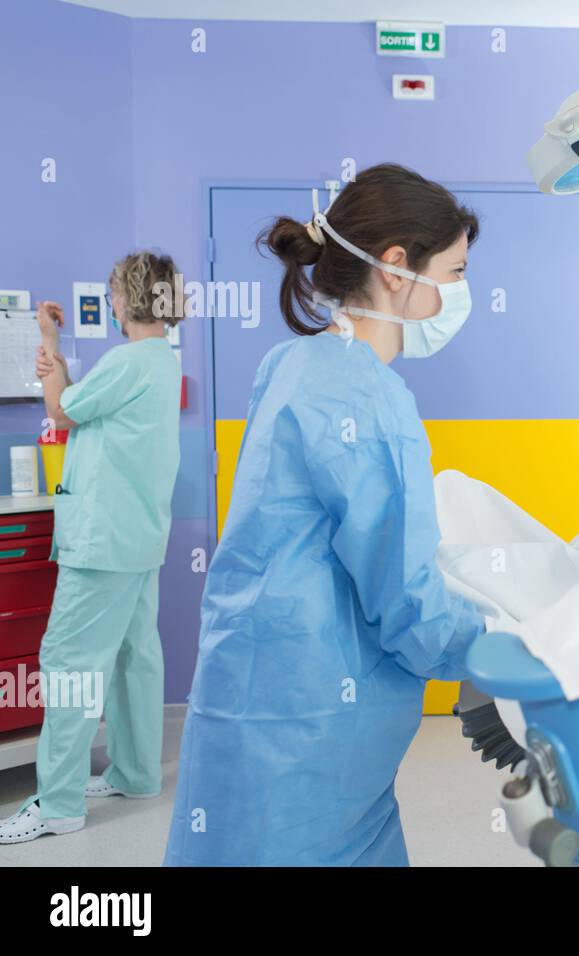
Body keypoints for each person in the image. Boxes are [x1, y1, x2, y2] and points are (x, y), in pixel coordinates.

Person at [164, 164, 486, 866]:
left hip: (246, 692)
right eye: (456, 273)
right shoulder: (371, 402)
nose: (462, 294)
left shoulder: (290, 363)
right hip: (310, 726)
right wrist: (503, 642)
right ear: (397, 267)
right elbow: (405, 603)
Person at [0, 252, 182, 844]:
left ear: (127, 299)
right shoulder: (159, 361)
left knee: (70, 662)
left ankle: (56, 803)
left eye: (112, 295)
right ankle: (135, 772)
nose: (110, 305)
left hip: (103, 542)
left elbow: (60, 410)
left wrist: (47, 347)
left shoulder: (127, 360)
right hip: (139, 539)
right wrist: (52, 346)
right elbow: (87, 406)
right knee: (135, 655)